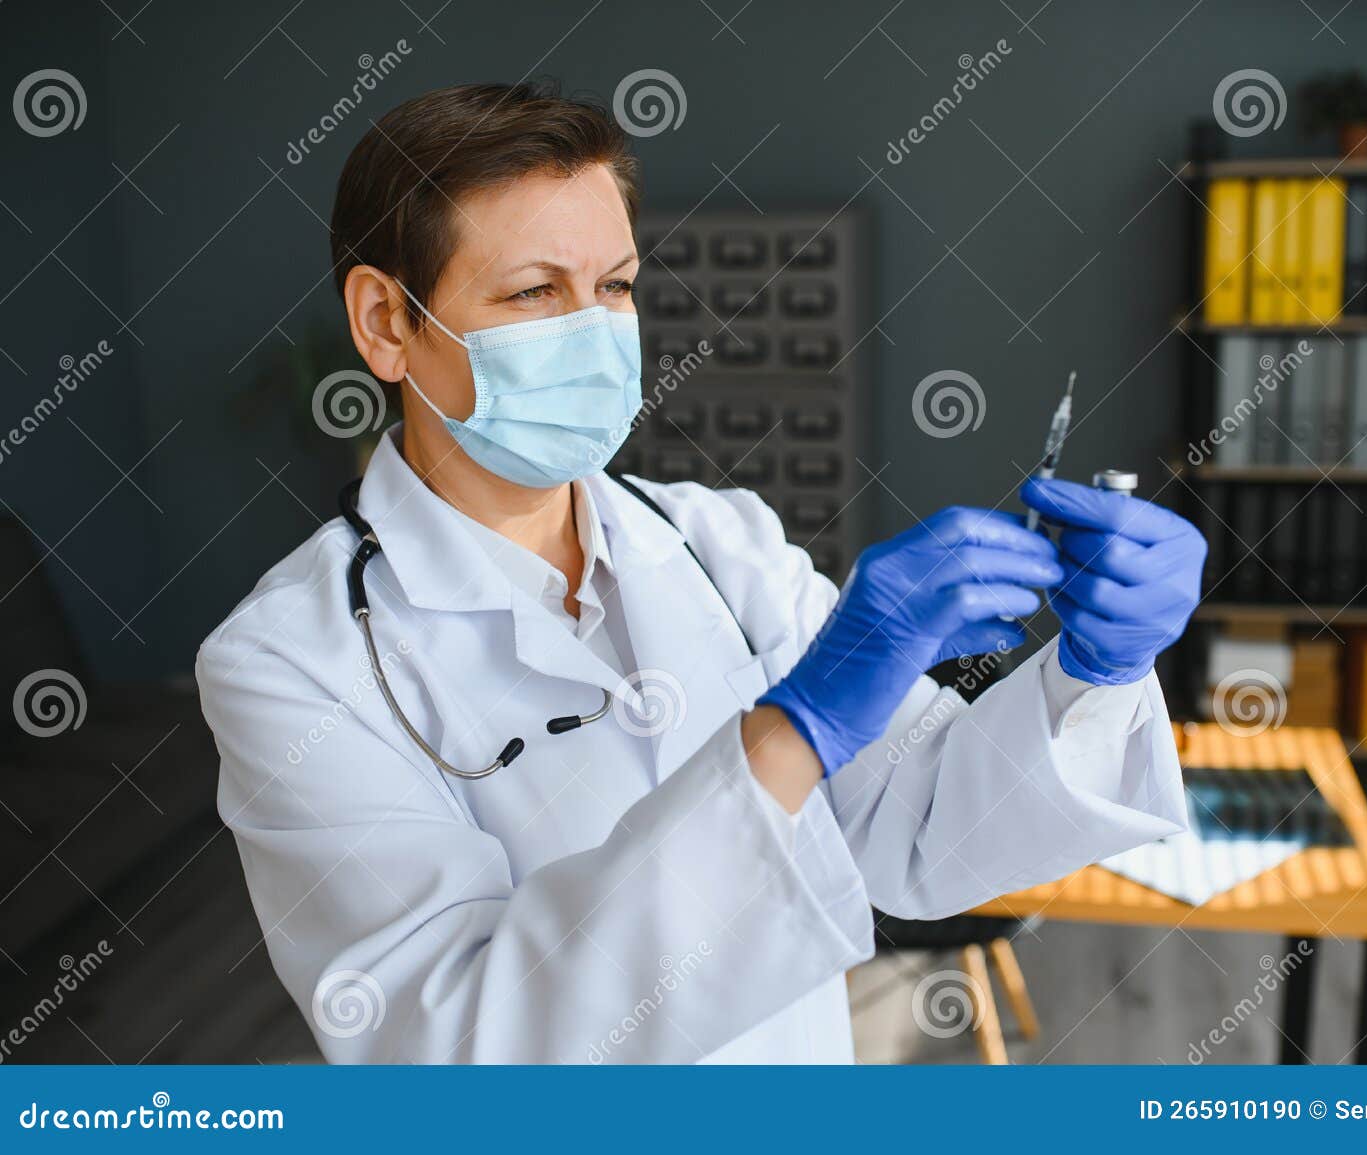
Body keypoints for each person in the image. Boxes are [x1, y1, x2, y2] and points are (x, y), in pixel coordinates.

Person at [196, 82, 1206, 1064]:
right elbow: (457, 1047)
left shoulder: (719, 542)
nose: (593, 331)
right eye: (535, 291)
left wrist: (1095, 672)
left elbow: (921, 835)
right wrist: (793, 731)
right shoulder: (291, 662)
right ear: (386, 321)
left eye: (614, 286)